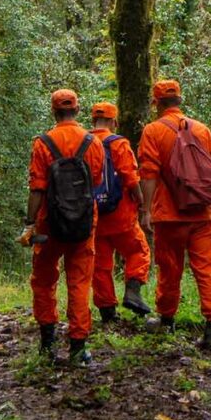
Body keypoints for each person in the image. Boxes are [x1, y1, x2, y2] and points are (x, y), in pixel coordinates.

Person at [137, 78, 211, 354]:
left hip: (169, 215)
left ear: (157, 103)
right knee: (206, 270)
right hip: (202, 212)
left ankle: (166, 320)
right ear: (179, 100)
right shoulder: (202, 130)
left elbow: (148, 174)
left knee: (170, 269)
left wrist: (146, 209)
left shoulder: (153, 131)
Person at [26, 88, 104, 366]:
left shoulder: (43, 143)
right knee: (80, 283)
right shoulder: (92, 143)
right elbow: (95, 182)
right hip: (84, 223)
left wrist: (29, 222)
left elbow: (37, 189)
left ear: (54, 111)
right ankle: (78, 349)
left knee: (44, 281)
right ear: (78, 110)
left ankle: (48, 345)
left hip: (49, 224)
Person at [87, 101, 151, 326]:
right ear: (114, 121)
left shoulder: (82, 143)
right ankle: (133, 290)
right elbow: (131, 179)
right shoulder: (119, 143)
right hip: (121, 215)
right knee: (138, 251)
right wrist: (143, 204)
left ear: (93, 120)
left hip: (93, 216)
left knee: (100, 264)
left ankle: (107, 313)